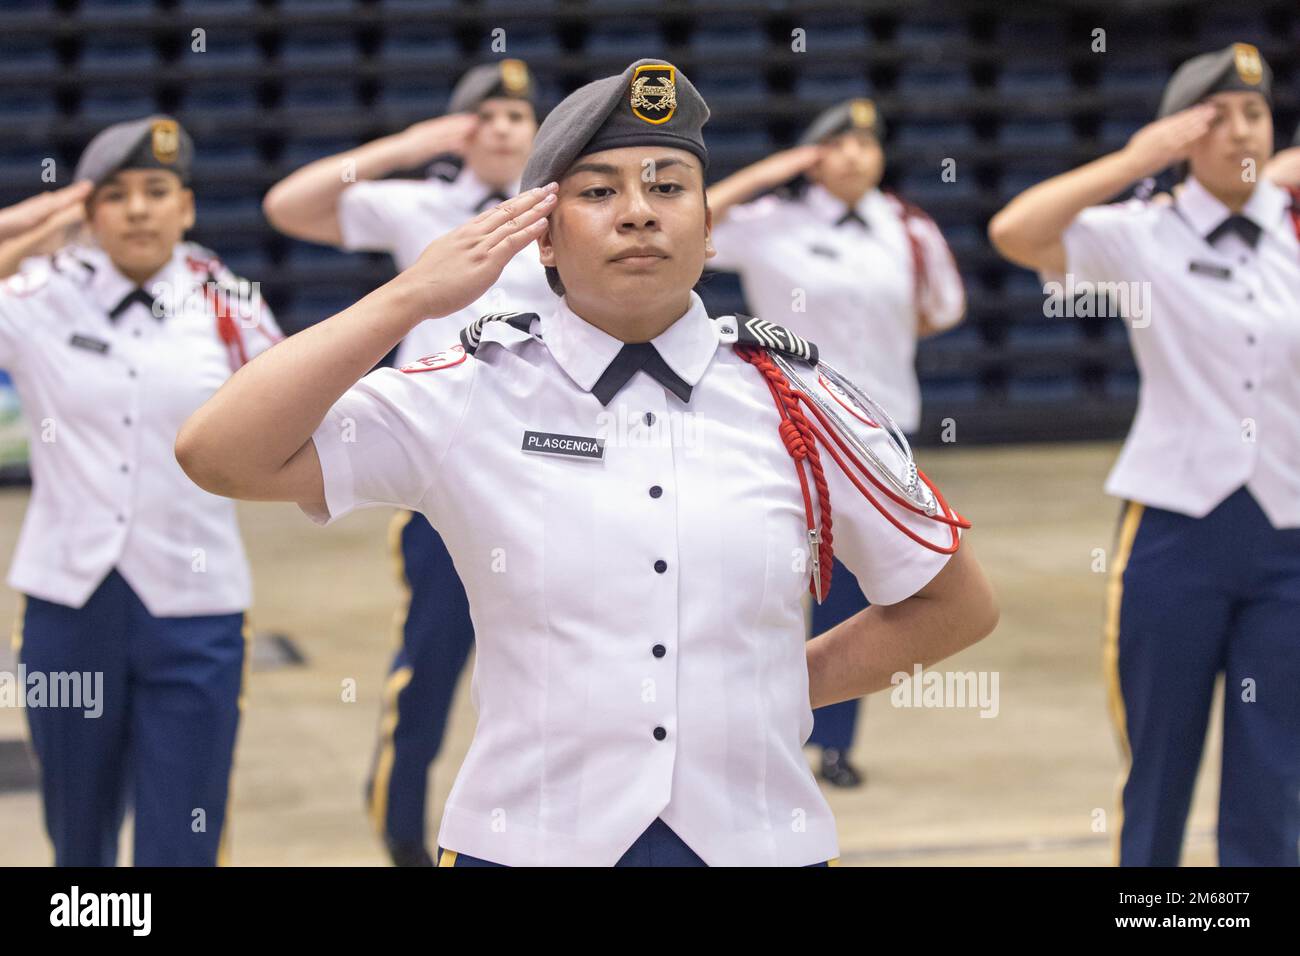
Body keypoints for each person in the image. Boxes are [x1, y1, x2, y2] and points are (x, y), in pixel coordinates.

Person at [177, 59, 998, 867]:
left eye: (669, 186)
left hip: (757, 840)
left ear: (711, 229)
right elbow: (219, 455)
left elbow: (953, 603)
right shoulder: (471, 393)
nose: (638, 213)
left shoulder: (801, 400)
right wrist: (410, 298)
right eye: (599, 191)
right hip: (528, 842)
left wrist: (771, 690)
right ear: (542, 236)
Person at [989, 43, 1300, 866]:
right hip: (1177, 529)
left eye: (1256, 114)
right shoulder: (1142, 234)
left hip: (1289, 537)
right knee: (1158, 765)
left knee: (1276, 768)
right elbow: (1016, 231)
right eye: (1216, 117)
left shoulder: (1294, 227)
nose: (1241, 131)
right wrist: (1133, 161)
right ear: (1178, 136)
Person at [263, 60, 554, 866]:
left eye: (518, 117)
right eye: (484, 116)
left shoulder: (563, 211)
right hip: (447, 469)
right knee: (433, 653)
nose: (501, 129)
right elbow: (289, 206)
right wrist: (411, 143)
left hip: (557, 467)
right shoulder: (421, 203)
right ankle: (400, 819)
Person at [1, 116, 283, 865]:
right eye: (115, 195)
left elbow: (295, 412)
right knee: (76, 832)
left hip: (196, 611)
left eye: (157, 191)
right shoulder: (34, 297)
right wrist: (29, 228)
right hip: (70, 605)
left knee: (183, 838)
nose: (137, 210)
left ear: (186, 207)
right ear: (86, 212)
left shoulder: (234, 305)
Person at [705, 96, 966, 788]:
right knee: (767, 574)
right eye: (836, 143)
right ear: (812, 155)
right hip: (784, 426)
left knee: (857, 591)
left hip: (878, 433)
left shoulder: (907, 227)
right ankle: (744, 721)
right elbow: (696, 221)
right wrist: (774, 171)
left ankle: (832, 741)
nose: (854, 154)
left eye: (867, 143)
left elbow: (941, 308)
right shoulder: (768, 223)